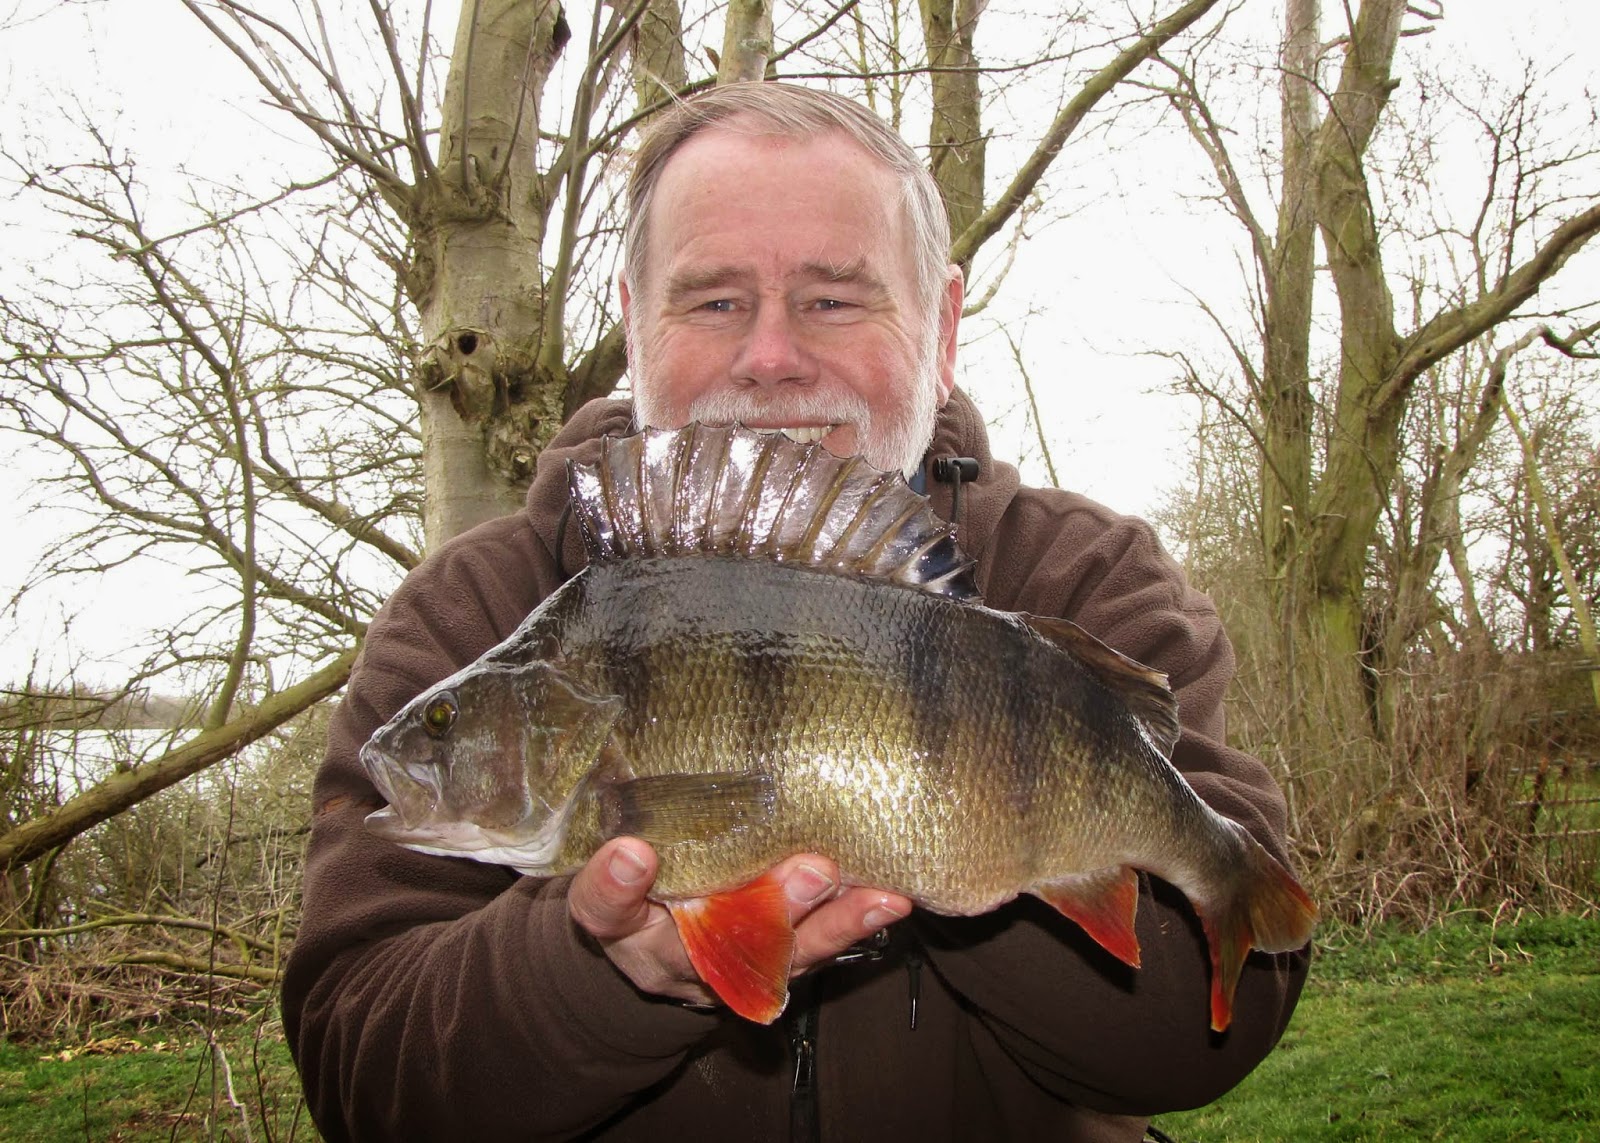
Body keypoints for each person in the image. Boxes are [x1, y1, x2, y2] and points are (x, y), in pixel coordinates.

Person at [284, 82, 1309, 1142]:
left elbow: (1207, 1028)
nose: (770, 357)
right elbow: (362, 1073)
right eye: (715, 300)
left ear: (942, 326)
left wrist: (955, 836)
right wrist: (591, 969)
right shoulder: (474, 611)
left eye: (832, 298)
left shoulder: (1087, 578)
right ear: (637, 328)